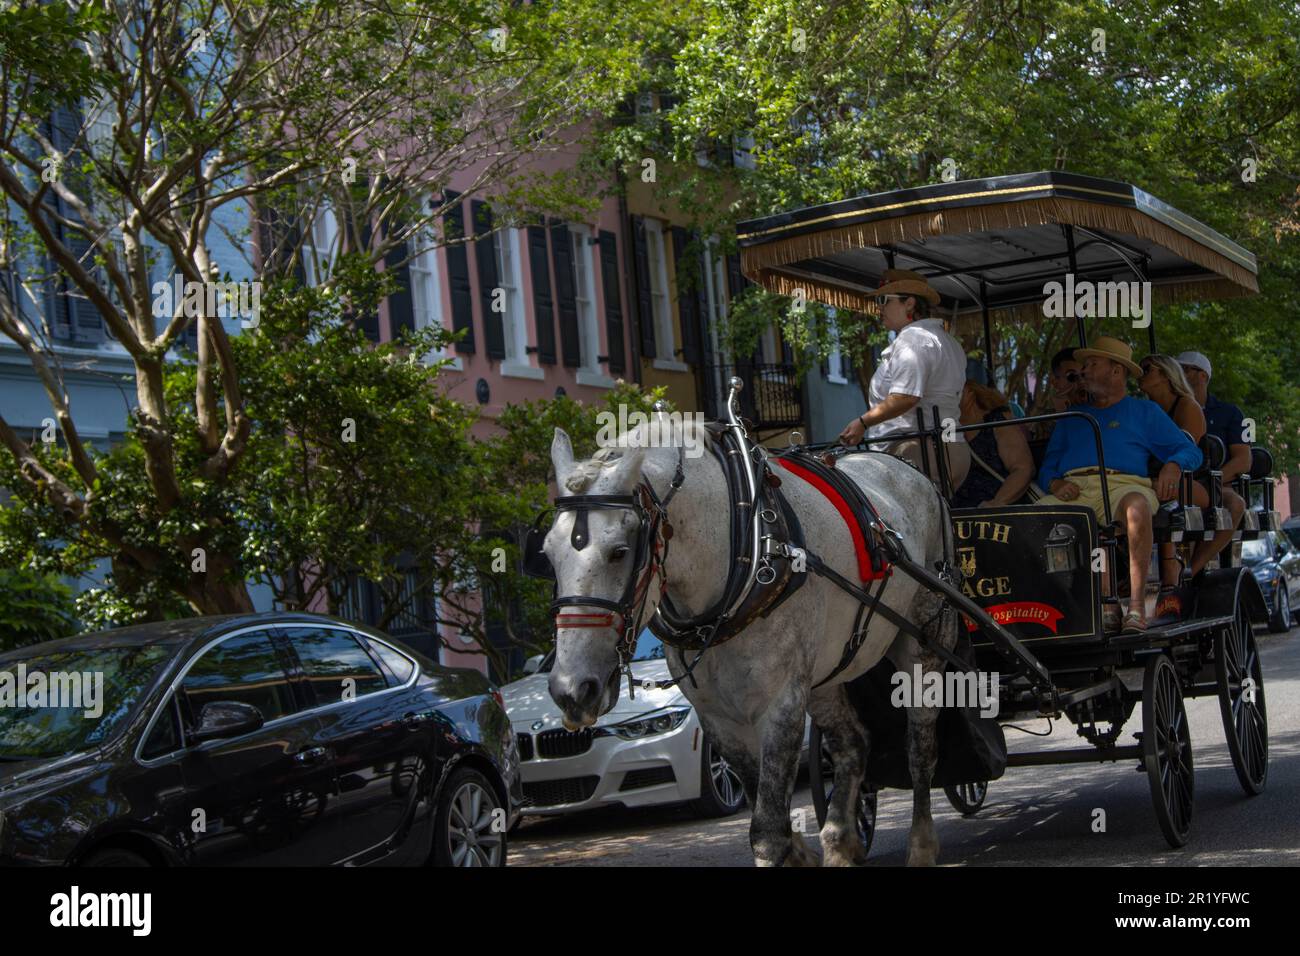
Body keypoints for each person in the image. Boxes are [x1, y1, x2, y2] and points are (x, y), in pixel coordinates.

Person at [1036, 336, 1202, 633]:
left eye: (1092, 364)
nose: (1084, 371)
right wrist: (1055, 482)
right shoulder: (1072, 418)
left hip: (1123, 486)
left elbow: (1190, 450)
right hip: (1076, 490)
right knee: (1031, 518)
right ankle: (1055, 612)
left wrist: (1173, 465)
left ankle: (1136, 609)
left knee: (1136, 507)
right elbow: (1048, 467)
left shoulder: (1144, 412)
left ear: (1116, 370)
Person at [838, 269, 970, 492]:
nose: (879, 308)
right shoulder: (948, 341)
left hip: (917, 453)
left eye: (884, 300)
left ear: (909, 303)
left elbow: (906, 397)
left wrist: (862, 423)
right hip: (950, 449)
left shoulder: (913, 340)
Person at [1138, 354, 1208, 621]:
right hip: (1152, 478)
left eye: (1147, 369)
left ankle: (1171, 579)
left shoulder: (1187, 406)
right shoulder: (1144, 410)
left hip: (1190, 480)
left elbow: (1186, 453)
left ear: (1166, 375)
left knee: (1163, 494)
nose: (1141, 374)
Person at [1177, 350, 1250, 580]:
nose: (1179, 374)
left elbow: (1244, 459)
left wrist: (1213, 480)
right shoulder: (1167, 410)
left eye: (1185, 369)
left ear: (1203, 376)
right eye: (1177, 369)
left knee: (1236, 504)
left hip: (1217, 486)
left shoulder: (1231, 413)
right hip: (1177, 482)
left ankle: (1190, 571)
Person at [952, 380, 1037, 508]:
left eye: (954, 392)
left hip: (999, 511)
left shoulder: (997, 421)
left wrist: (997, 502)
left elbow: (1023, 468)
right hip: (959, 511)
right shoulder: (948, 427)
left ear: (970, 392)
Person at [1032, 346, 1087, 441]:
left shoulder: (1101, 407)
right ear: (1055, 382)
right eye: (1072, 376)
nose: (1081, 381)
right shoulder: (1047, 420)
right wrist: (1061, 413)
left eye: (1084, 374)